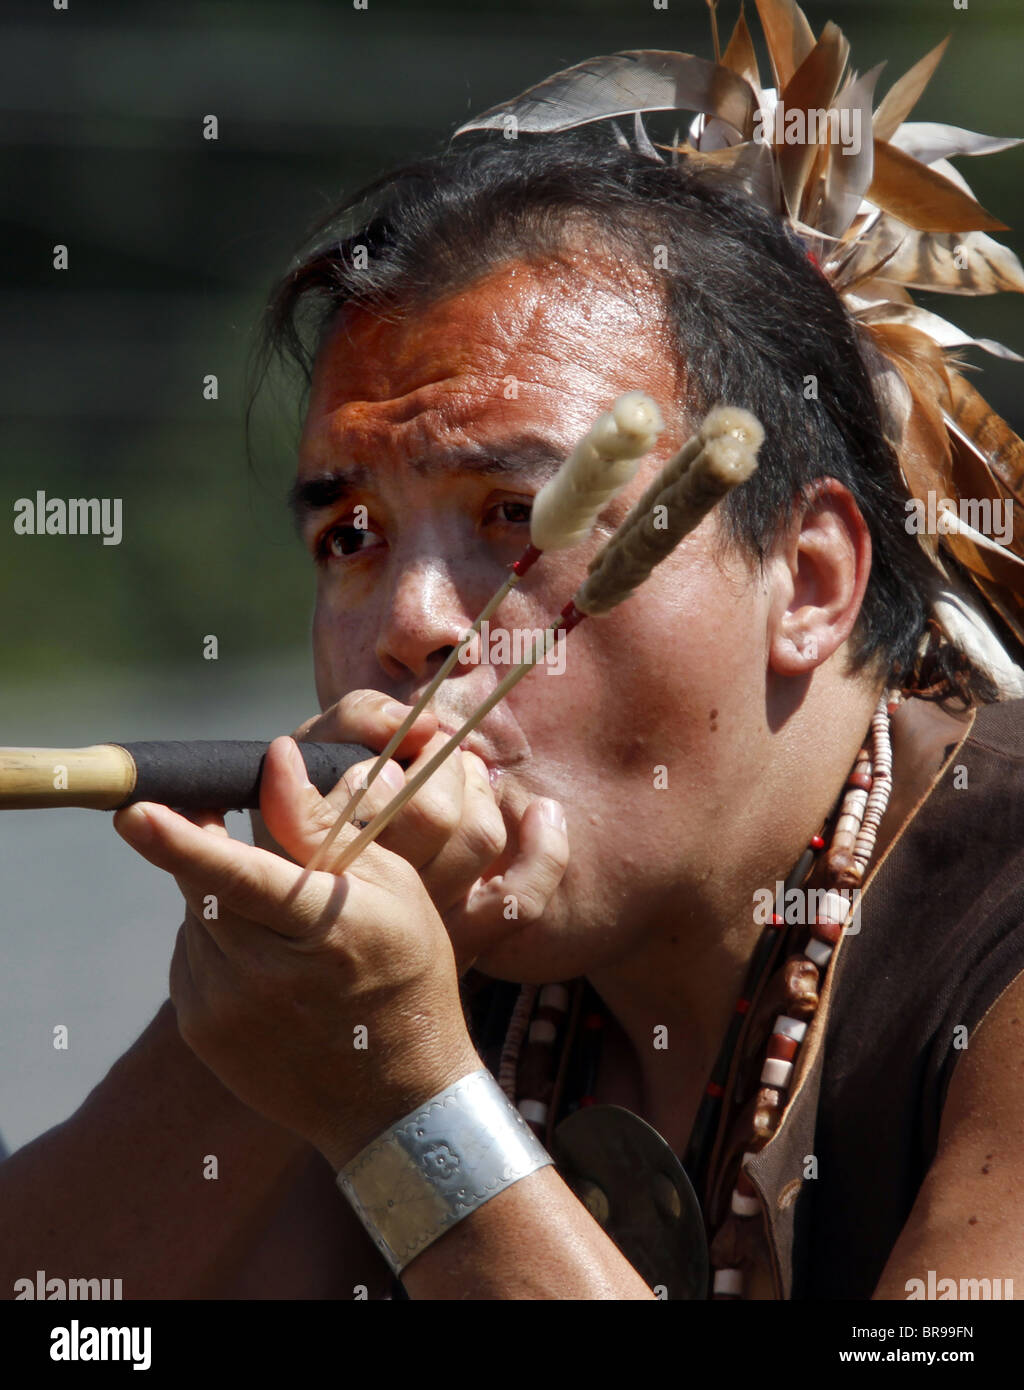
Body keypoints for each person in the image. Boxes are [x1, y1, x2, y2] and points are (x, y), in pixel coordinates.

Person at [3, 6, 1024, 1301]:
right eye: (354, 537)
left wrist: (409, 1111)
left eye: (516, 520)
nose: (409, 623)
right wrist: (251, 1039)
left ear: (810, 581)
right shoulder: (413, 964)